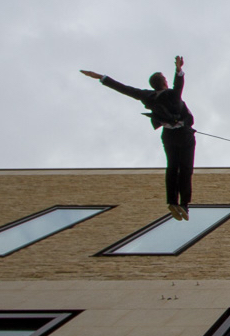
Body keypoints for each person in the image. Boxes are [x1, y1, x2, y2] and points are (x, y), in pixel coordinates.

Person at [81, 56, 195, 221]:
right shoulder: (171, 94)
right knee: (185, 169)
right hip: (184, 135)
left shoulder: (147, 96)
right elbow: (179, 84)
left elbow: (125, 89)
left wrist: (101, 78)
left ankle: (172, 201)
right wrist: (178, 69)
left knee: (172, 168)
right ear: (164, 82)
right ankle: (184, 204)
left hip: (168, 135)